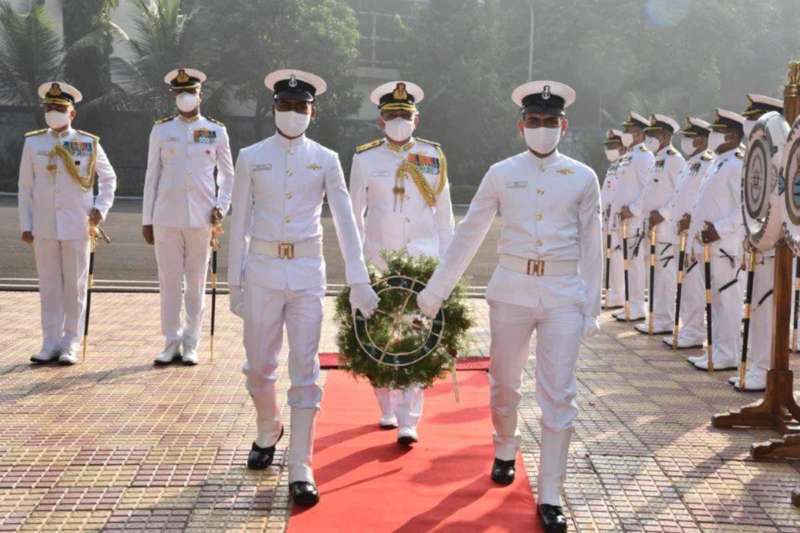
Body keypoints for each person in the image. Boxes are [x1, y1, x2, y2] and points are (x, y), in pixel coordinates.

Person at [416, 80, 602, 533]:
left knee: (559, 395)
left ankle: (551, 494)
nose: (543, 129)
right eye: (535, 122)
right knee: (503, 386)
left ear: (564, 125)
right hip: (512, 290)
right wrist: (436, 290)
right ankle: (504, 446)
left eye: (551, 122)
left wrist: (591, 307)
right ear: (521, 126)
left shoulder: (582, 176)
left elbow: (595, 245)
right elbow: (470, 232)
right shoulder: (501, 173)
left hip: (561, 293)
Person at [227, 69, 378, 507]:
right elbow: (239, 223)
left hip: (308, 268)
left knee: (305, 368)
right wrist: (234, 282)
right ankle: (267, 426)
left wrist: (359, 278)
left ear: (312, 110)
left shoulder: (326, 158)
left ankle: (301, 465)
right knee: (258, 368)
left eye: (301, 107)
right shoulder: (252, 156)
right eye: (286, 106)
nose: (293, 113)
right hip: (263, 269)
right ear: (274, 107)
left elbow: (347, 221)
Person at [349, 80, 455, 445]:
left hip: (422, 261)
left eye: (404, 116)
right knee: (378, 337)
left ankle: (410, 416)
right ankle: (386, 407)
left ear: (416, 119)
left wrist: (447, 270)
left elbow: (444, 217)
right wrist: (358, 266)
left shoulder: (433, 156)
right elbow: (353, 217)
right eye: (392, 116)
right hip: (379, 260)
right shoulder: (364, 159)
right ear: (380, 121)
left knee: (415, 336)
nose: (398, 121)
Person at [18, 81, 117, 365]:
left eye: (59, 108)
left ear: (72, 113)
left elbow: (108, 178)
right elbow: (26, 186)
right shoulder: (34, 141)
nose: (53, 113)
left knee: (74, 285)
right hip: (45, 225)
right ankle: (49, 342)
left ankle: (70, 343)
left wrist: (100, 210)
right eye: (49, 108)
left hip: (77, 224)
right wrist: (26, 223)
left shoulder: (88, 142)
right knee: (48, 285)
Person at [142, 68, 234, 366]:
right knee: (169, 282)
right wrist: (147, 218)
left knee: (195, 283)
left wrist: (222, 205)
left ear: (200, 95)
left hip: (202, 217)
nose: (185, 97)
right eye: (180, 93)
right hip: (166, 217)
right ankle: (171, 342)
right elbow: (151, 174)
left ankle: (191, 342)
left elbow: (228, 175)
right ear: (173, 97)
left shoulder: (216, 130)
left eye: (190, 92)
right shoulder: (161, 129)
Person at [728, 94, 785, 390]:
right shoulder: (755, 153)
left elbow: (778, 199)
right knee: (753, 309)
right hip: (754, 243)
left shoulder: (781, 153)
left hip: (772, 247)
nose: (748, 123)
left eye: (754, 118)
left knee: (764, 312)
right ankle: (753, 367)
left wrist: (762, 235)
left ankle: (762, 371)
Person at [686, 109, 746, 371]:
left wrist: (720, 229)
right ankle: (717, 349)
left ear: (731, 136)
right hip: (707, 245)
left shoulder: (737, 164)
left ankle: (729, 352)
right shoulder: (717, 162)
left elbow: (746, 207)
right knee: (716, 301)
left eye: (715, 132)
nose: (710, 136)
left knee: (727, 300)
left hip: (724, 246)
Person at [661, 118, 716, 349]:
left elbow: (705, 199)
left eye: (689, 137)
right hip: (681, 233)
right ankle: (688, 328)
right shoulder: (691, 163)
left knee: (694, 285)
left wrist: (692, 220)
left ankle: (694, 332)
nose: (684, 142)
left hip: (694, 235)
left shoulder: (706, 163)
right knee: (685, 283)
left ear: (701, 140)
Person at [634, 114, 685, 335]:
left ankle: (665, 320)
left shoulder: (675, 160)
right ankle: (655, 316)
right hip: (652, 227)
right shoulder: (658, 158)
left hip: (665, 229)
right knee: (654, 275)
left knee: (665, 277)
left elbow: (680, 194)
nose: (648, 139)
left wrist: (663, 213)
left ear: (664, 136)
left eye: (652, 135)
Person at [612, 112, 655, 321]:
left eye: (628, 131)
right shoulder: (629, 155)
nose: (626, 133)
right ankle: (629, 303)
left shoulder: (645, 156)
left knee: (635, 263)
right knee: (628, 262)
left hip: (634, 219)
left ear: (638, 134)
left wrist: (635, 209)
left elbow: (648, 188)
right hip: (624, 219)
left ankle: (638, 306)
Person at [602, 129, 625, 310]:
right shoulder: (613, 166)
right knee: (609, 257)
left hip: (619, 221)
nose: (609, 149)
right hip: (607, 220)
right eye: (608, 146)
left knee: (617, 259)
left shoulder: (625, 165)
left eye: (613, 146)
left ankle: (619, 296)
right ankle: (611, 293)